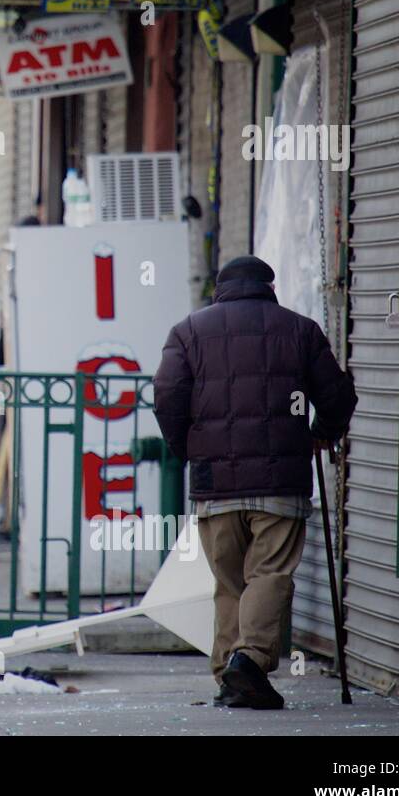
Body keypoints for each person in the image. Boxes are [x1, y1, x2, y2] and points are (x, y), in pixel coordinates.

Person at [153, 255, 357, 710]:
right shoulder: (300, 330)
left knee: (229, 583)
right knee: (268, 573)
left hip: (214, 486)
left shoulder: (187, 331)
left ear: (219, 289)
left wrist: (190, 450)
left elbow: (166, 396)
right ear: (269, 287)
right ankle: (246, 662)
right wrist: (323, 431)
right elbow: (338, 394)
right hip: (280, 482)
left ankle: (231, 670)